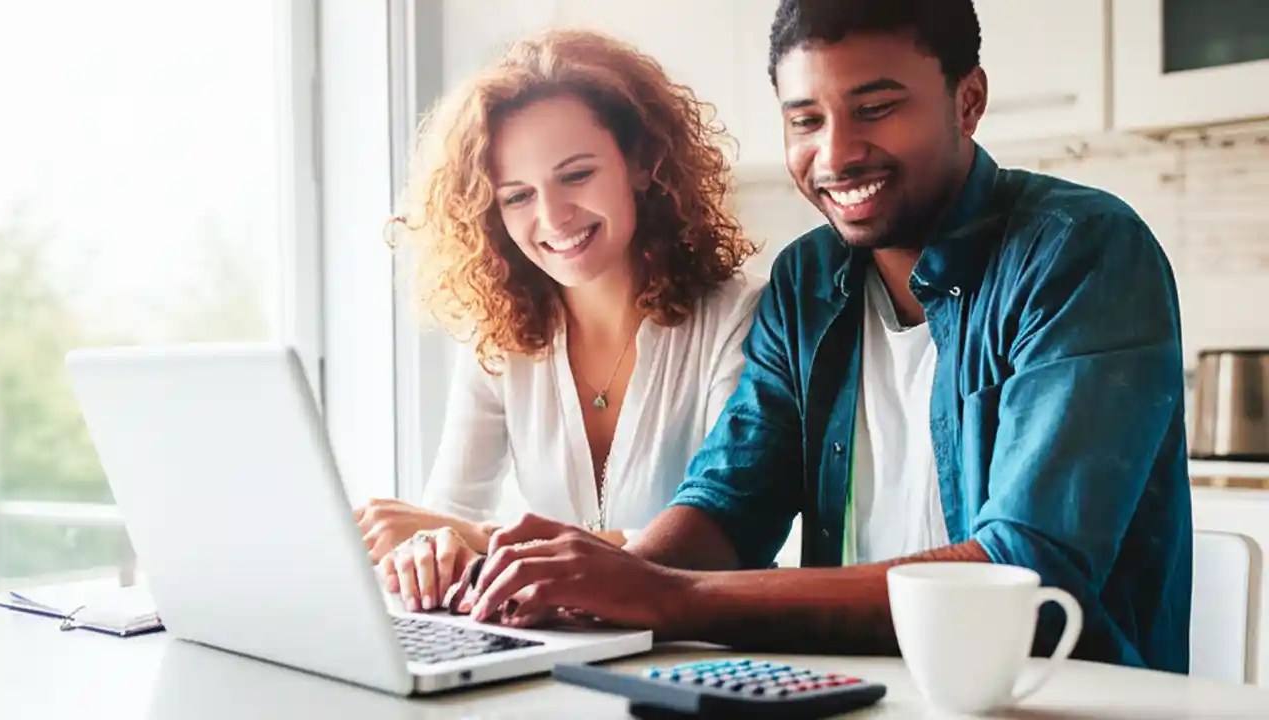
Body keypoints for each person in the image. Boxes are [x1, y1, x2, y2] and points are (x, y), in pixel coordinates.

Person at [447, 0, 1192, 674]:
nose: (835, 154)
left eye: (876, 107)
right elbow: (729, 505)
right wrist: (606, 583)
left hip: (1059, 699)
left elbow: (1025, 569)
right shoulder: (811, 280)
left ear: (967, 101)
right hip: (857, 692)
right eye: (806, 120)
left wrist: (669, 596)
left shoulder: (1081, 251)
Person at [359, 29, 764, 612]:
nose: (553, 217)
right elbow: (449, 513)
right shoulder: (498, 337)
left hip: (694, 650)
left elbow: (712, 541)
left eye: (576, 176)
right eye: (517, 196)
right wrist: (427, 548)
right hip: (553, 645)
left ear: (643, 162)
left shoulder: (738, 316)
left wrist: (476, 540)